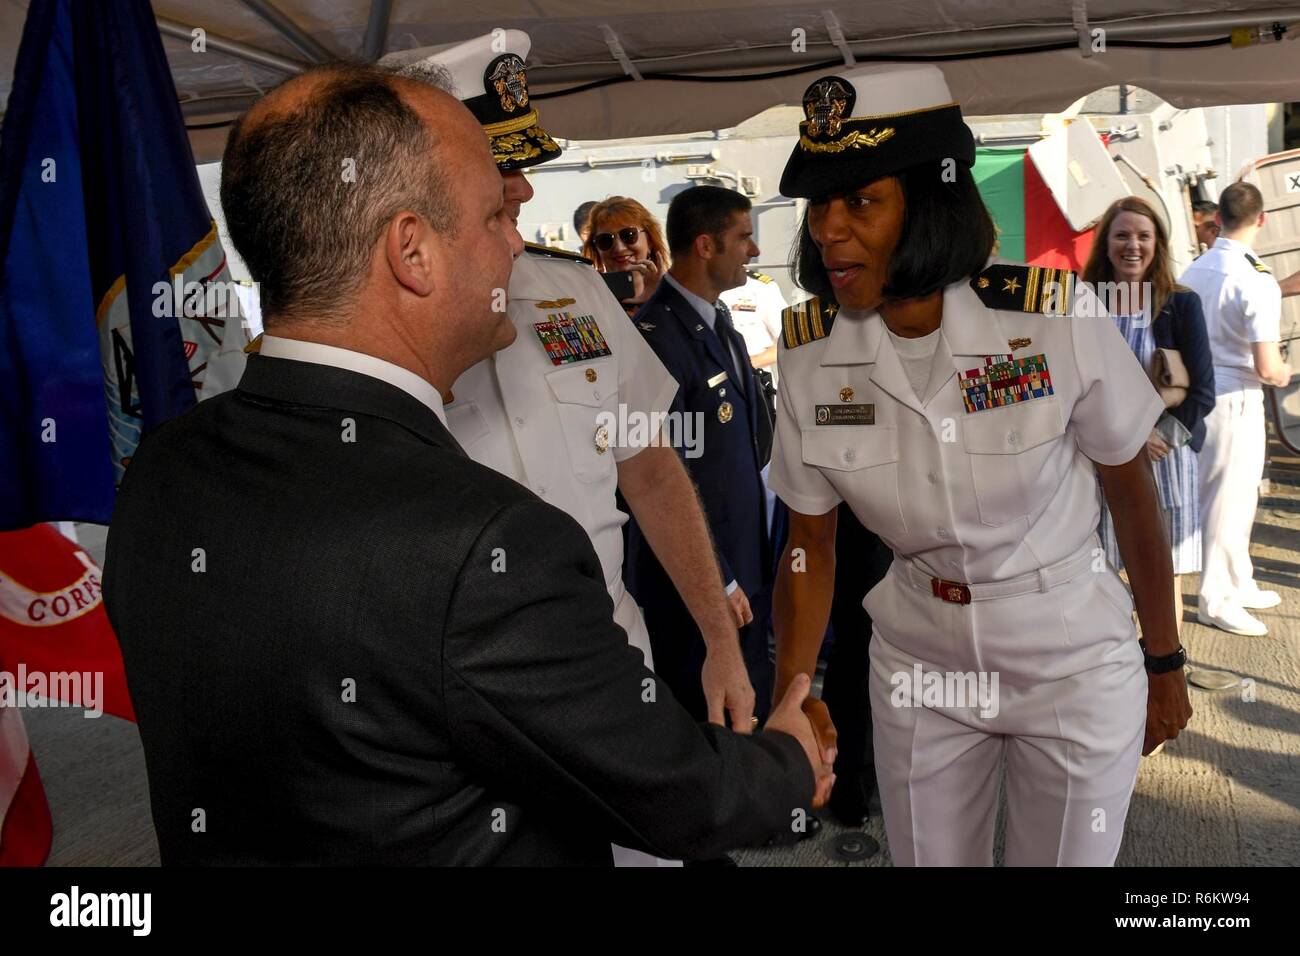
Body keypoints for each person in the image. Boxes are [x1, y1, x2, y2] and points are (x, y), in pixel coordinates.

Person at [102, 63, 832, 866]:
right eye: (494, 213)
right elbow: (683, 796)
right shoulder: (486, 543)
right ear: (413, 252)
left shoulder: (161, 470)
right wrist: (790, 762)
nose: (518, 235)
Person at [769, 63, 1192, 866]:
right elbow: (807, 544)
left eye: (861, 200)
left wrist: (1164, 658)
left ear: (930, 205)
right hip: (920, 663)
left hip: (1067, 656)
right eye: (820, 203)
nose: (827, 228)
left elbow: (1130, 494)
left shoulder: (1050, 317)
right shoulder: (810, 355)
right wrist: (795, 689)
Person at [382, 32, 760, 865]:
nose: (520, 184)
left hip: (615, 657)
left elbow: (653, 472)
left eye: (518, 165)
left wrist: (720, 642)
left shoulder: (577, 291)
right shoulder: (381, 321)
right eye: (496, 165)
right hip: (465, 694)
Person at [626, 185, 781, 728]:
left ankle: (761, 810)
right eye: (745, 238)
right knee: (710, 721)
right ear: (707, 246)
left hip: (745, 560)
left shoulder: (719, 323)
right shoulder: (658, 335)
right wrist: (720, 577)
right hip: (700, 580)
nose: (754, 252)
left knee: (750, 705)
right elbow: (660, 476)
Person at [1084, 197, 1215, 636]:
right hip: (1106, 461)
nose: (1132, 245)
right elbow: (1076, 389)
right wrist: (1123, 437)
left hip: (1165, 459)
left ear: (1158, 244)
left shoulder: (1181, 304)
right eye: (1122, 235)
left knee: (1162, 575)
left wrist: (1158, 434)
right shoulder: (1085, 305)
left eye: (1144, 235)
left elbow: (1203, 392)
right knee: (1107, 572)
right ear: (1106, 244)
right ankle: (1118, 674)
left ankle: (1163, 676)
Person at [1181, 182, 1292, 636]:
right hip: (1237, 397)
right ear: (1261, 219)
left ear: (1218, 220)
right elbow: (1268, 367)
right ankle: (1217, 598)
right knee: (1228, 499)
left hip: (1201, 393)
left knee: (1234, 495)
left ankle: (1239, 581)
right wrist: (1284, 371)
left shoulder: (1195, 268)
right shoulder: (1255, 278)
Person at [583, 196, 670, 315]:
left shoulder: (674, 295)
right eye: (605, 240)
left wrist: (652, 301)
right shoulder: (588, 300)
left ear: (649, 241)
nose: (619, 248)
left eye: (629, 235)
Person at [720, 269, 789, 373]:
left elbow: (789, 343)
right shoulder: (693, 289)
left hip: (754, 381)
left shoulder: (760, 288)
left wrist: (744, 365)